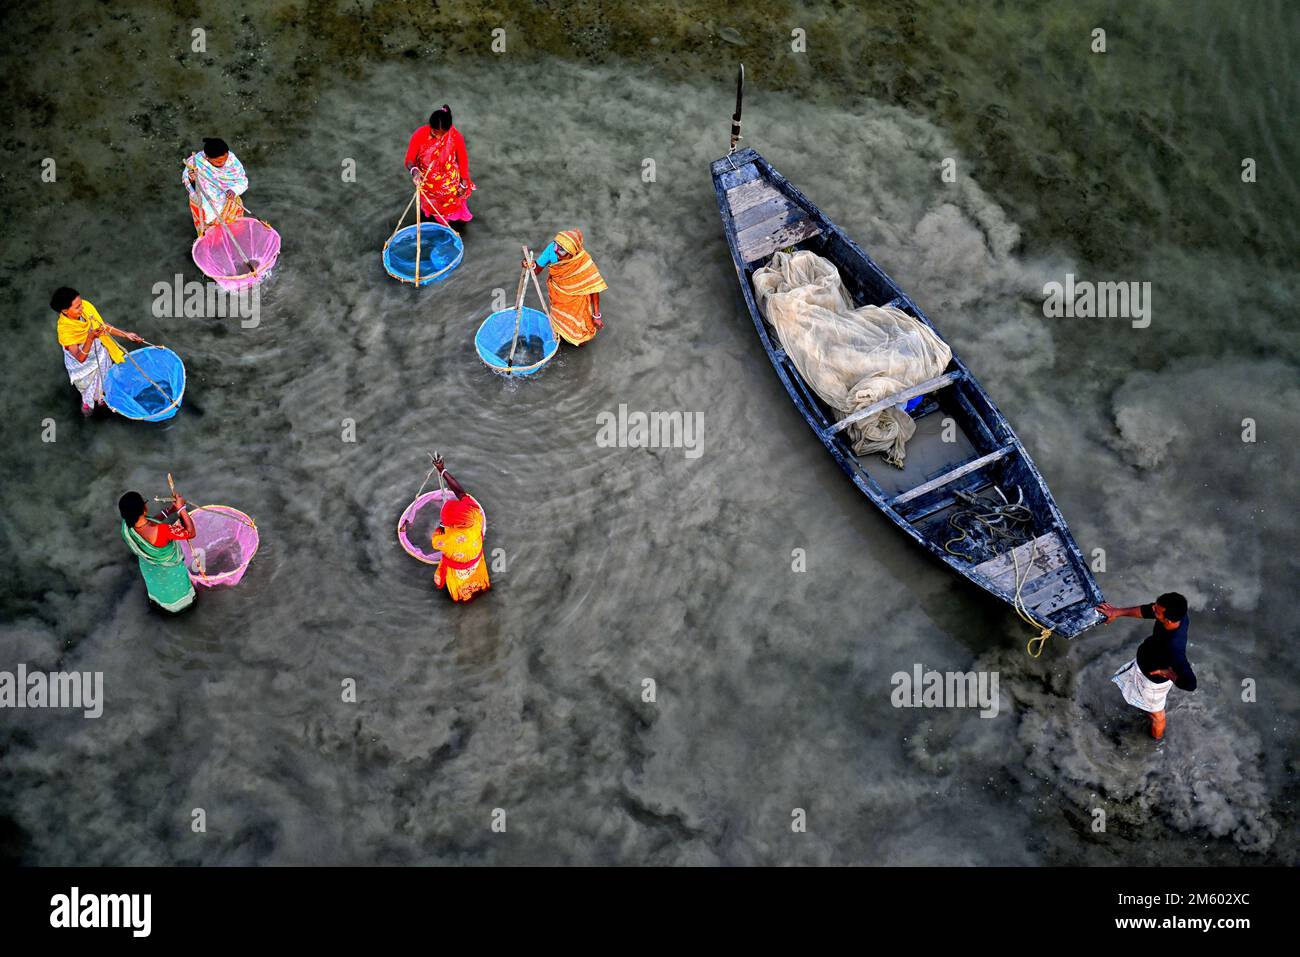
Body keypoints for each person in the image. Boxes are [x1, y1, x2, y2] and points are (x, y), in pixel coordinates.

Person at [1100, 592, 1196, 740]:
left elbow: (1190, 684)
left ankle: (1155, 741)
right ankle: (1145, 709)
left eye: (1157, 611)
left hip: (1152, 683)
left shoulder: (1174, 649)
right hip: (1143, 665)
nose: (1153, 609)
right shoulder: (1178, 615)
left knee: (1157, 716)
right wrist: (1116, 612)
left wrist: (1167, 673)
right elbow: (1147, 610)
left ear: (1168, 620)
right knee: (1148, 709)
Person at [52, 287, 144, 416]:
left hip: (98, 352)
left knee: (105, 375)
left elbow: (102, 327)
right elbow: (80, 358)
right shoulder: (65, 330)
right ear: (65, 311)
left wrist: (126, 334)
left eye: (81, 304)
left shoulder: (86, 307)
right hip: (83, 364)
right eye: (77, 307)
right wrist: (90, 338)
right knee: (88, 385)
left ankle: (102, 398)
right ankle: (89, 403)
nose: (82, 308)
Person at [119, 488, 197, 613]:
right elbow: (191, 532)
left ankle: (160, 602)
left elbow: (149, 523)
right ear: (144, 509)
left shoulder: (126, 527)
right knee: (176, 589)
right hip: (169, 571)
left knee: (159, 586)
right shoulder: (162, 530)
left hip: (150, 567)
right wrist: (182, 509)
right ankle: (180, 606)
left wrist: (170, 510)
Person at [526, 230, 608, 345]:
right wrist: (529, 264)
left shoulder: (583, 262)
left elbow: (593, 289)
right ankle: (561, 333)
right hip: (557, 295)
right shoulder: (552, 250)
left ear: (572, 253)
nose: (556, 250)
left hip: (577, 301)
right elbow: (537, 269)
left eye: (561, 250)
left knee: (581, 340)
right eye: (556, 245)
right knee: (558, 324)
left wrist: (596, 315)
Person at [428, 455, 490, 602]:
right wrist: (443, 471)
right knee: (477, 584)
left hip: (458, 571)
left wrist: (441, 527)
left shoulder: (448, 539)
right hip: (476, 562)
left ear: (450, 523)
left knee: (461, 592)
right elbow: (460, 492)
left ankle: (461, 598)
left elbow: (435, 542)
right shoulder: (474, 515)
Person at [404, 105, 474, 225]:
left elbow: (463, 159)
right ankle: (439, 219)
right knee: (433, 207)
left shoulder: (455, 137)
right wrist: (415, 171)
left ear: (448, 129)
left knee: (452, 206)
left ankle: (450, 222)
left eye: (442, 134)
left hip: (449, 182)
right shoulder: (420, 134)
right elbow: (410, 159)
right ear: (430, 126)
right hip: (428, 182)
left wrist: (464, 182)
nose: (438, 137)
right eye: (434, 133)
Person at [182, 137, 249, 236]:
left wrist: (234, 190)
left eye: (224, 160)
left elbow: (241, 180)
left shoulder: (232, 160)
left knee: (234, 231)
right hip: (205, 204)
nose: (222, 163)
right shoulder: (196, 163)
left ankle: (233, 238)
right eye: (218, 162)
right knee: (212, 235)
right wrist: (193, 179)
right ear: (207, 157)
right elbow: (195, 190)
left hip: (229, 200)